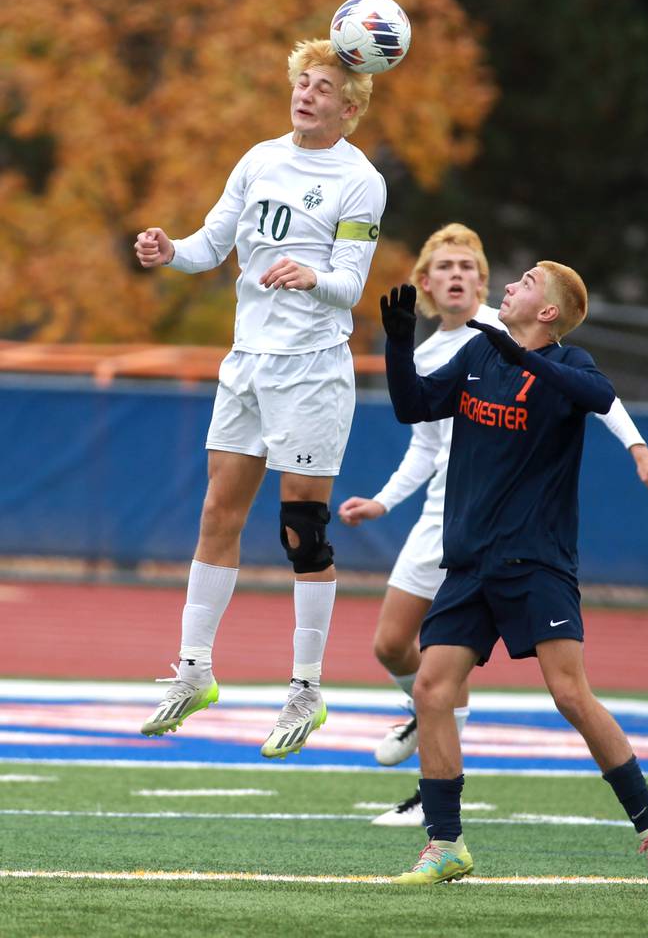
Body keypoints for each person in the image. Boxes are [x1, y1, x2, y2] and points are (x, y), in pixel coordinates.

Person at [338, 224, 648, 827]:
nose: (509, 283)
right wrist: (397, 343)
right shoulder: (477, 352)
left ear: (546, 311)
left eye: (525, 280)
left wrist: (640, 451)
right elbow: (414, 408)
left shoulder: (564, 361)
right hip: (469, 555)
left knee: (569, 694)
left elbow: (599, 395)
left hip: (533, 558)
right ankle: (444, 843)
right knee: (430, 688)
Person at [133, 38, 386, 760]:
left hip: (311, 370)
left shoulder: (361, 180)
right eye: (302, 82)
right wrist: (169, 252)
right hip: (246, 363)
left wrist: (311, 276)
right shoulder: (258, 159)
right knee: (218, 512)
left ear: (350, 107)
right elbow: (210, 246)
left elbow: (350, 284)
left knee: (301, 530)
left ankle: (306, 688)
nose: (306, 94)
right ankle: (194, 671)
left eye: (323, 87)